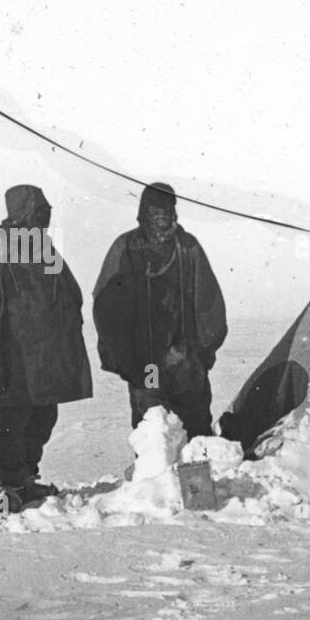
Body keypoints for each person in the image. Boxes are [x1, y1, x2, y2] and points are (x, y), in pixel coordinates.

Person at [0, 185, 93, 511]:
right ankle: (11, 484)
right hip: (13, 361)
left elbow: (70, 293)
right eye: (37, 212)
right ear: (22, 214)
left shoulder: (46, 251)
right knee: (13, 423)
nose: (43, 218)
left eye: (44, 213)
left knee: (43, 419)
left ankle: (26, 477)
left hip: (44, 359)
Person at [92, 183, 227, 440]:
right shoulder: (126, 247)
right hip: (148, 364)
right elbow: (106, 307)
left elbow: (209, 303)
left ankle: (195, 480)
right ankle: (156, 479)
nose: (161, 213)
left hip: (184, 358)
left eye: (167, 207)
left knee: (195, 423)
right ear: (144, 210)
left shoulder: (188, 247)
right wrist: (126, 359)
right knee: (154, 427)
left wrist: (200, 351)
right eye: (155, 207)